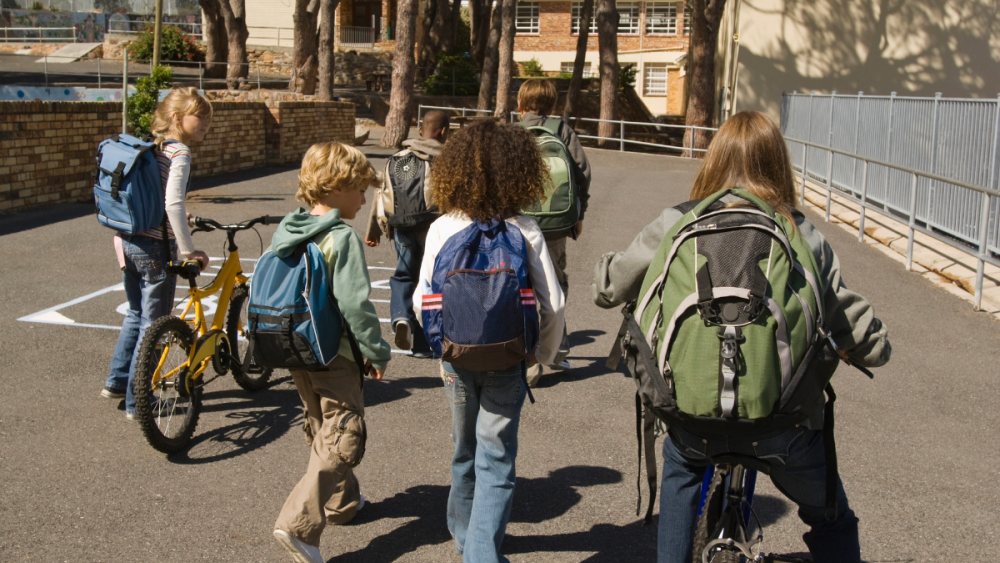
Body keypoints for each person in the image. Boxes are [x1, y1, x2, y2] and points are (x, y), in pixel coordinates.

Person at [591, 111, 891, 563]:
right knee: (833, 519)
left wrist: (612, 267)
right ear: (778, 163)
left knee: (681, 465)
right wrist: (868, 349)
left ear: (712, 159)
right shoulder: (798, 229)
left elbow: (608, 288)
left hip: (691, 421)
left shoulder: (677, 220)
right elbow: (856, 326)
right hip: (781, 422)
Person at [412, 120, 565, 563]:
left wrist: (441, 346)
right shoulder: (526, 228)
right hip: (509, 358)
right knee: (496, 460)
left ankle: (465, 538)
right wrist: (542, 356)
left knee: (464, 451)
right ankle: (480, 553)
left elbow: (425, 298)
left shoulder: (443, 227)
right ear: (520, 171)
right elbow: (553, 304)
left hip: (456, 358)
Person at [272, 142, 393, 563]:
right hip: (334, 351)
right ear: (338, 185)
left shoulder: (291, 227)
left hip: (295, 346)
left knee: (323, 425)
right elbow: (355, 305)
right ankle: (299, 525)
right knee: (344, 432)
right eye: (360, 189)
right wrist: (376, 352)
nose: (364, 199)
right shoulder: (340, 237)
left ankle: (342, 503)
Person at [101, 87, 211, 420]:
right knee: (155, 327)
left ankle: (118, 382)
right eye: (200, 117)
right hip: (153, 248)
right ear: (178, 118)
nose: (206, 124)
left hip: (126, 240)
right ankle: (141, 402)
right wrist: (188, 250)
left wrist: (181, 220)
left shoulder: (149, 147)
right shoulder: (179, 153)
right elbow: (173, 203)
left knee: (136, 314)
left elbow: (153, 199)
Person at [516, 79, 592, 386]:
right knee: (554, 282)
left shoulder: (514, 131)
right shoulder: (562, 130)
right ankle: (558, 351)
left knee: (520, 288)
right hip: (556, 223)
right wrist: (578, 214)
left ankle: (530, 364)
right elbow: (582, 172)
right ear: (552, 105)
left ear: (520, 104)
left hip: (517, 223)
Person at [365, 109, 450, 358]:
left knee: (404, 277)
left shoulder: (398, 158)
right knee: (431, 282)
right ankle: (425, 344)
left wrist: (374, 230)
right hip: (434, 228)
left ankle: (401, 317)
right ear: (444, 132)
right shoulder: (444, 159)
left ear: (420, 131)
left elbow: (380, 193)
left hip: (401, 226)